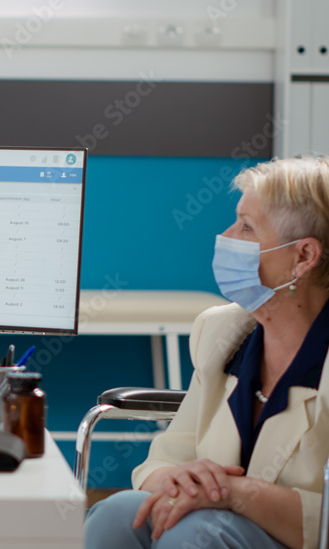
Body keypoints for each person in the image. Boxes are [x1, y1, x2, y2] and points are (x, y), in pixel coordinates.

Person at [85, 156, 329, 549]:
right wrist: (176, 480)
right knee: (117, 514)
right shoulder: (222, 332)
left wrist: (232, 492)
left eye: (247, 227)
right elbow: (165, 457)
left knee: (195, 532)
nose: (227, 235)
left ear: (303, 257)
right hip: (212, 527)